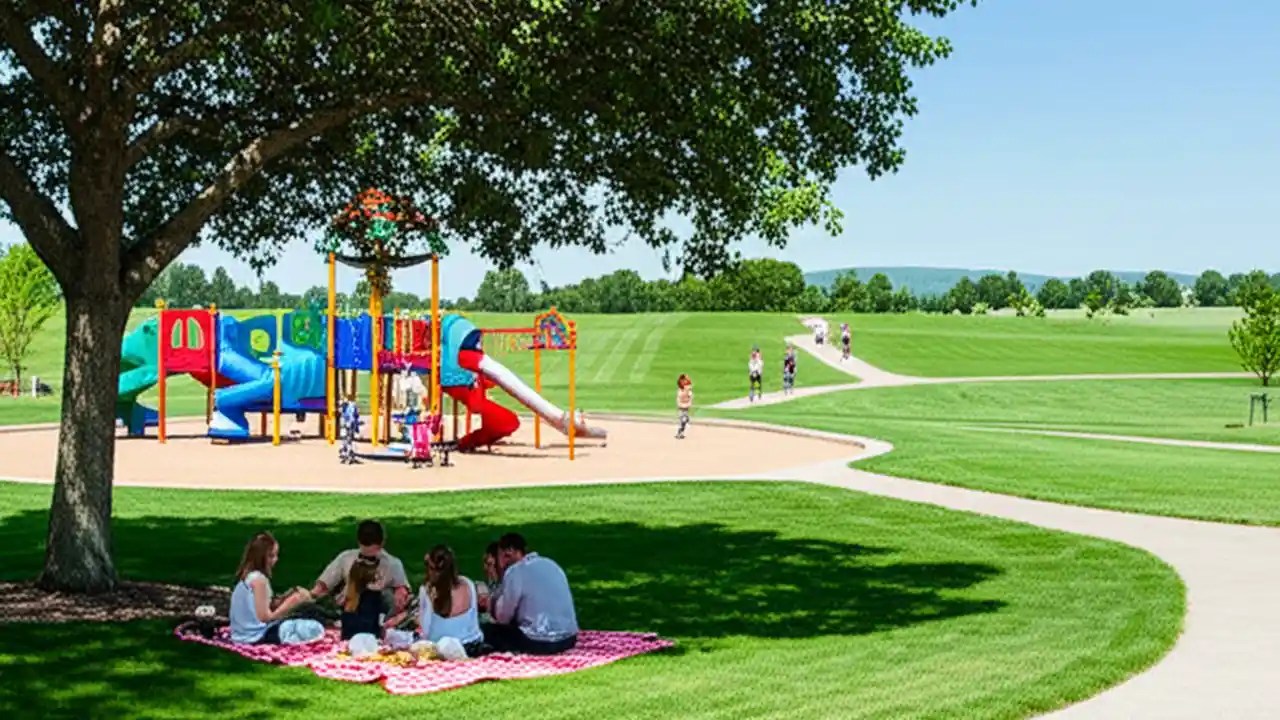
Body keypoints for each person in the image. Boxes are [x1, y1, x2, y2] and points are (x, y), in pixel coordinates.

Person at [484, 533, 578, 655]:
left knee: (486, 630)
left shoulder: (515, 571)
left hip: (540, 641)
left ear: (509, 552)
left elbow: (503, 618)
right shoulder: (551, 564)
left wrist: (493, 595)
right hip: (569, 638)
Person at [309, 520, 411, 629]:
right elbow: (323, 586)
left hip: (377, 612)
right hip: (349, 607)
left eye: (372, 559)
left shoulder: (393, 564)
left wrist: (399, 597)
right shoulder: (346, 558)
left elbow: (402, 593)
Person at [229, 532, 324, 644]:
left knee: (307, 619)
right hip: (256, 636)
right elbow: (265, 617)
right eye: (271, 556)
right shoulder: (259, 581)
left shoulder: (248, 577)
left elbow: (262, 607)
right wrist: (291, 602)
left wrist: (285, 597)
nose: (276, 559)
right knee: (314, 627)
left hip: (242, 634)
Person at [409, 545, 487, 656]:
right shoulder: (468, 584)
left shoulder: (427, 591)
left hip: (440, 652)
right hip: (473, 647)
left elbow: (425, 632)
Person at [338, 555, 384, 640]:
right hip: (367, 640)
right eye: (378, 575)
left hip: (349, 640)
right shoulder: (373, 597)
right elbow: (373, 628)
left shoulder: (349, 596)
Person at [675, 374, 693, 439]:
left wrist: (689, 403)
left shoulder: (688, 389)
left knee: (683, 419)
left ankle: (681, 431)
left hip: (685, 406)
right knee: (681, 419)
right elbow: (678, 398)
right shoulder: (680, 390)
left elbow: (690, 397)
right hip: (681, 406)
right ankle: (680, 432)